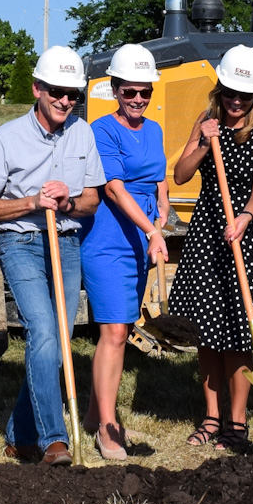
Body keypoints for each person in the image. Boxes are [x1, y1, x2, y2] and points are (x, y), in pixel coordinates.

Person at [0, 46, 106, 466]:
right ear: (37, 89)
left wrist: (68, 202)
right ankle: (55, 440)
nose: (65, 101)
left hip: (65, 242)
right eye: (57, 91)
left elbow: (93, 201)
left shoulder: (82, 134)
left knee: (59, 340)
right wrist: (32, 201)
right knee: (44, 331)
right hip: (23, 243)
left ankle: (18, 433)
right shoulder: (7, 138)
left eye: (73, 94)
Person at [166, 44, 253, 453]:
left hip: (244, 234)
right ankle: (211, 417)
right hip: (207, 232)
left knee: (237, 333)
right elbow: (180, 175)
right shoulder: (207, 120)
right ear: (220, 91)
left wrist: (244, 219)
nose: (236, 102)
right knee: (207, 330)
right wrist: (202, 142)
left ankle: (237, 421)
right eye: (230, 94)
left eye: (244, 97)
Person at [80, 44, 169, 461]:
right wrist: (152, 227)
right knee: (114, 332)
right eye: (129, 91)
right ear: (114, 90)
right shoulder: (102, 129)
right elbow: (114, 188)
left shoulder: (154, 130)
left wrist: (163, 209)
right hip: (110, 238)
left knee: (122, 326)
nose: (137, 99)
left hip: (143, 236)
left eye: (144, 92)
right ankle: (106, 426)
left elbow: (158, 177)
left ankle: (95, 409)